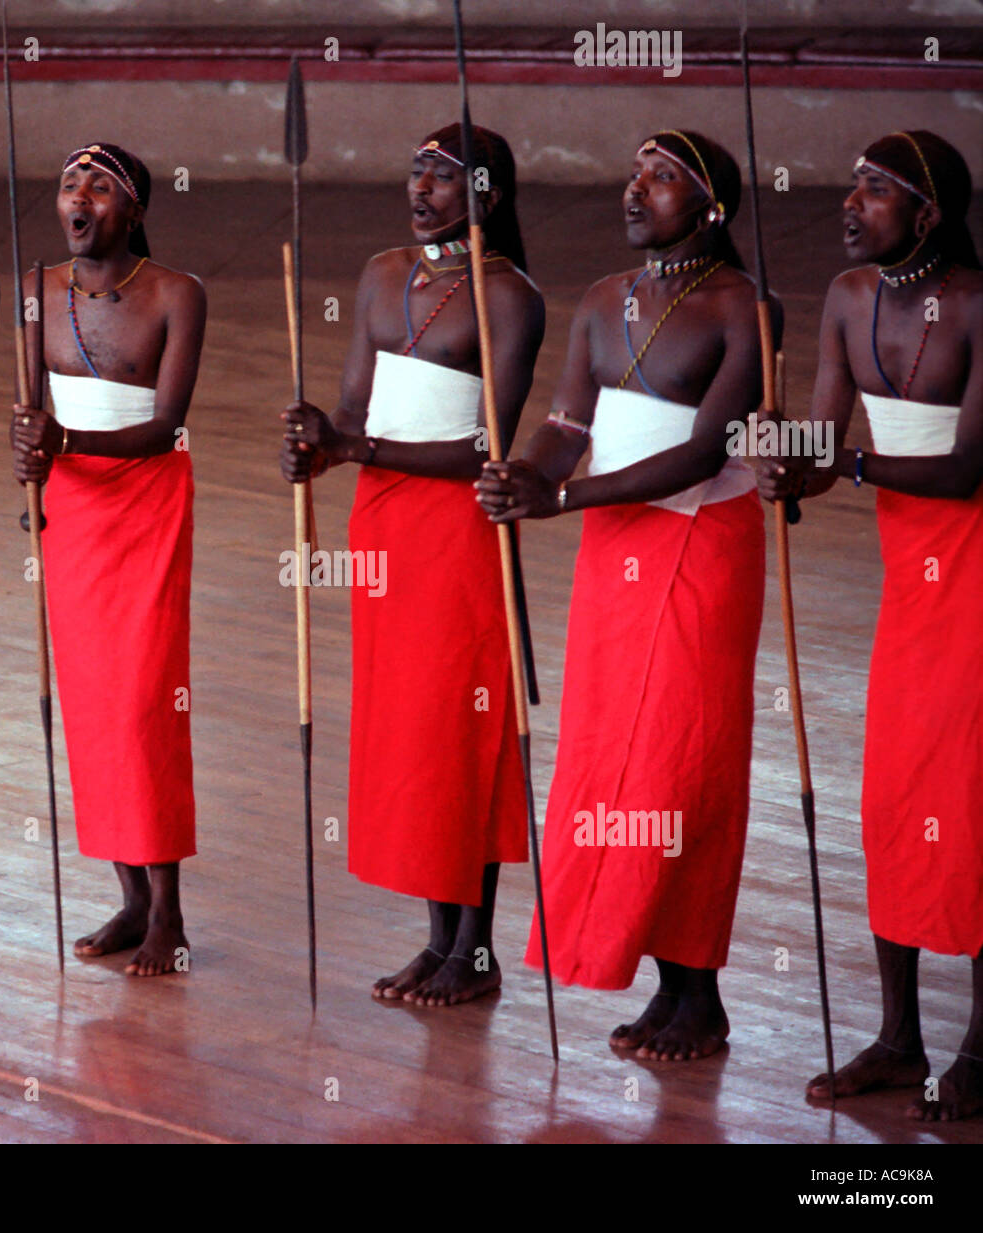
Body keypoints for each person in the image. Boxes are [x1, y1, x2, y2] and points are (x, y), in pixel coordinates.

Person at [478, 130, 777, 1058]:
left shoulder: (746, 309)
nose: (634, 188)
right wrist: (524, 474)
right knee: (611, 755)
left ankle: (701, 990)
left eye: (661, 177)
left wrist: (562, 496)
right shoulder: (607, 299)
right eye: (635, 170)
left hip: (700, 543)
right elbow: (569, 423)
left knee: (681, 761)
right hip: (616, 546)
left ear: (711, 205)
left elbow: (702, 451)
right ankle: (661, 981)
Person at [280, 124, 544, 1006]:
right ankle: (438, 940)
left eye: (442, 175)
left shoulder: (510, 296)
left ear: (488, 195)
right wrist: (318, 446)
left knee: (463, 729)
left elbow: (489, 443)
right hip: (384, 521)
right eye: (415, 169)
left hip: (458, 528)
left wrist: (355, 444)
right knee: (414, 736)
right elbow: (356, 410)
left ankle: (476, 949)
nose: (421, 186)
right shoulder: (384, 273)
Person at [759, 131, 983, 1120]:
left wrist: (838, 470)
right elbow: (823, 431)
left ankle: (980, 1047)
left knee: (968, 803)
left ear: (928, 215)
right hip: (910, 581)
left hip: (973, 572)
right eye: (850, 183)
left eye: (876, 191)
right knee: (896, 795)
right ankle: (898, 1037)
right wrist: (783, 458)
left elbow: (962, 467)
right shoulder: (849, 299)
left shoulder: (979, 305)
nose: (850, 203)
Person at [12, 142, 205, 977]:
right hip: (73, 513)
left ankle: (170, 913)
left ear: (134, 209)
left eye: (97, 186)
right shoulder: (35, 288)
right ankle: (129, 897)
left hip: (144, 503)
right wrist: (35, 462)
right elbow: (30, 409)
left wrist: (67, 441)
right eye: (67, 184)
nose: (77, 197)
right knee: (92, 704)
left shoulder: (177, 294)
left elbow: (166, 426)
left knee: (142, 702)